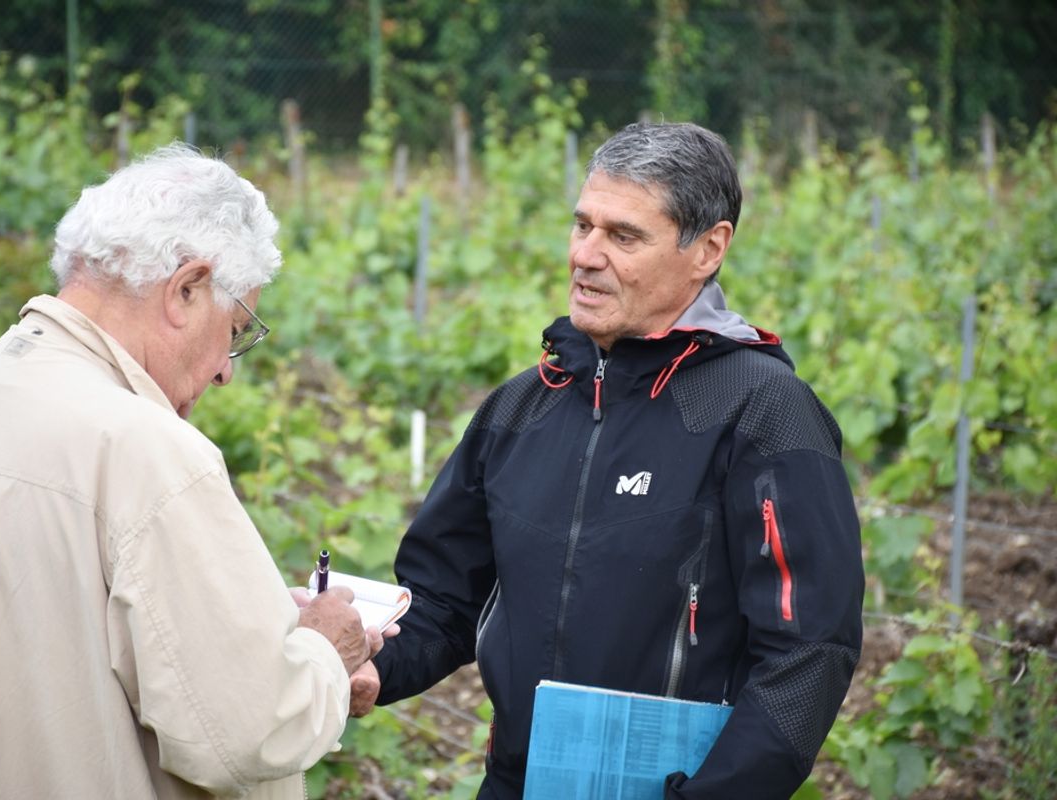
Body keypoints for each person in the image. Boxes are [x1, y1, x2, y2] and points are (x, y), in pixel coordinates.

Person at [365, 122, 864, 798]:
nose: (586, 255)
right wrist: (370, 668)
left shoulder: (764, 412)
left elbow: (809, 651)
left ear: (709, 248)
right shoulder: (521, 407)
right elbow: (443, 599)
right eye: (582, 226)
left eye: (624, 236)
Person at [0, 144, 389, 799]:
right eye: (235, 328)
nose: (226, 369)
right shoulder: (147, 447)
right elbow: (250, 729)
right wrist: (326, 650)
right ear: (187, 288)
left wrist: (258, 629)